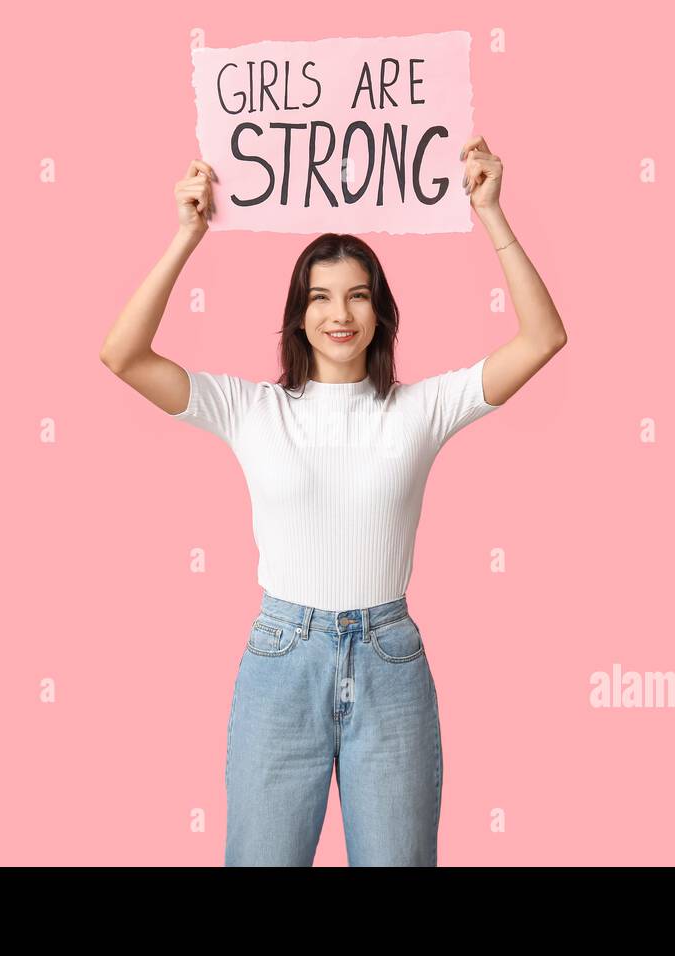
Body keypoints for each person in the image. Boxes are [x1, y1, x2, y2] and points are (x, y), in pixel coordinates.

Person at [100, 135, 567, 865]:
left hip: (391, 661)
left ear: (380, 311)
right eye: (319, 296)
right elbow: (121, 354)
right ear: (298, 314)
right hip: (282, 662)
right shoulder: (252, 408)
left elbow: (542, 338)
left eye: (357, 295)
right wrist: (187, 234)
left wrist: (492, 214)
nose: (338, 314)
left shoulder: (421, 408)